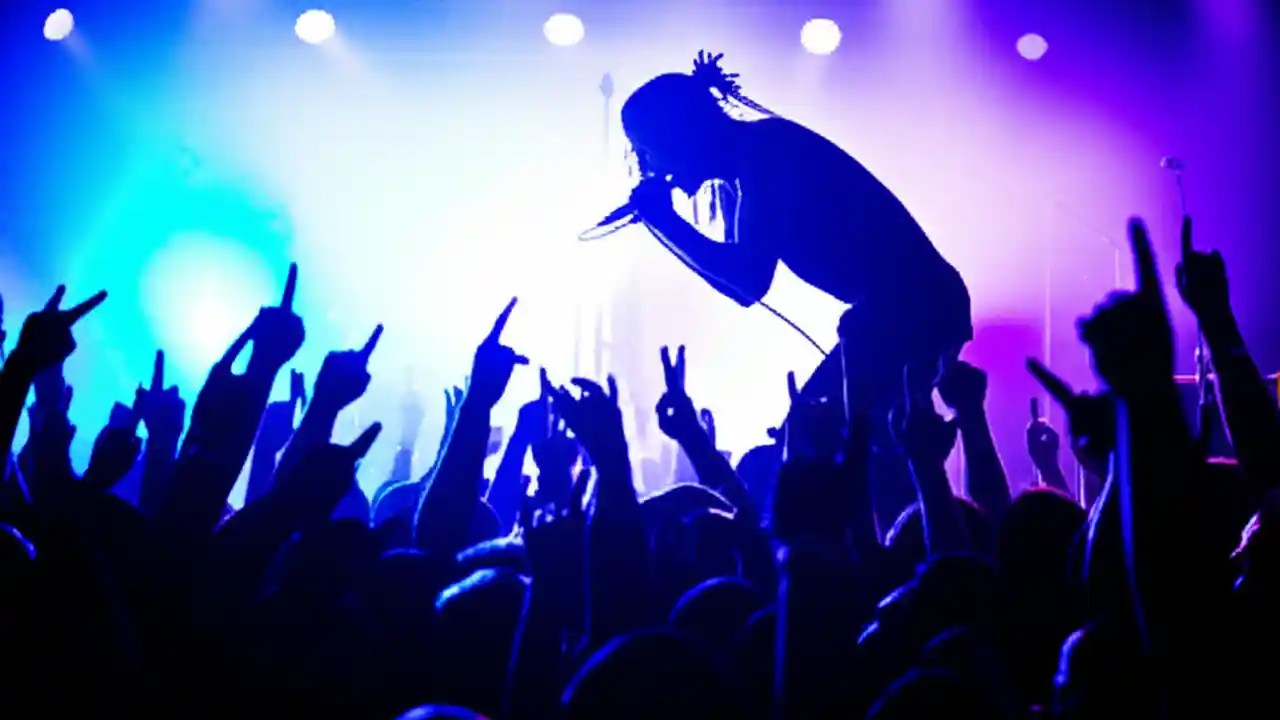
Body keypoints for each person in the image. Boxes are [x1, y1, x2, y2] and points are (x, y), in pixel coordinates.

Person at [621, 52, 972, 425]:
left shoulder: (765, 152)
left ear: (677, 137)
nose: (647, 167)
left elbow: (749, 278)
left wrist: (668, 223)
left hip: (912, 303)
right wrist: (666, 225)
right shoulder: (742, 174)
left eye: (646, 150)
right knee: (830, 435)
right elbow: (744, 290)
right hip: (899, 306)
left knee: (818, 436)